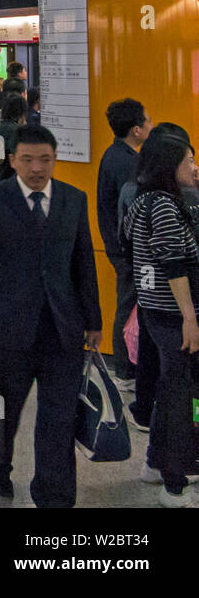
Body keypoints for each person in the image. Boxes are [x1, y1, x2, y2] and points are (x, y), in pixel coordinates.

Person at [0, 125, 101, 507]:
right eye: (28, 159)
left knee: (59, 416)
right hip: (10, 324)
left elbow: (83, 263)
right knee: (7, 406)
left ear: (55, 159)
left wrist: (94, 320)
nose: (37, 168)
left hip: (63, 326)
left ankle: (54, 494)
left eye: (45, 159)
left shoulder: (73, 199)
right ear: (13, 159)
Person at [122, 128, 199, 504]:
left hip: (154, 309)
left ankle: (155, 464)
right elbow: (174, 264)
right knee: (176, 394)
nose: (195, 168)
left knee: (170, 387)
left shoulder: (141, 200)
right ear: (171, 166)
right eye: (189, 160)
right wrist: (190, 316)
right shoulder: (165, 206)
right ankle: (174, 480)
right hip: (172, 314)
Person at [96, 98, 153, 386]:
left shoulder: (114, 154)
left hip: (119, 247)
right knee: (129, 305)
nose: (150, 125)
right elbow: (133, 208)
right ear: (136, 130)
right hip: (127, 250)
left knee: (128, 303)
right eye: (148, 121)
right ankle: (125, 370)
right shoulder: (127, 163)